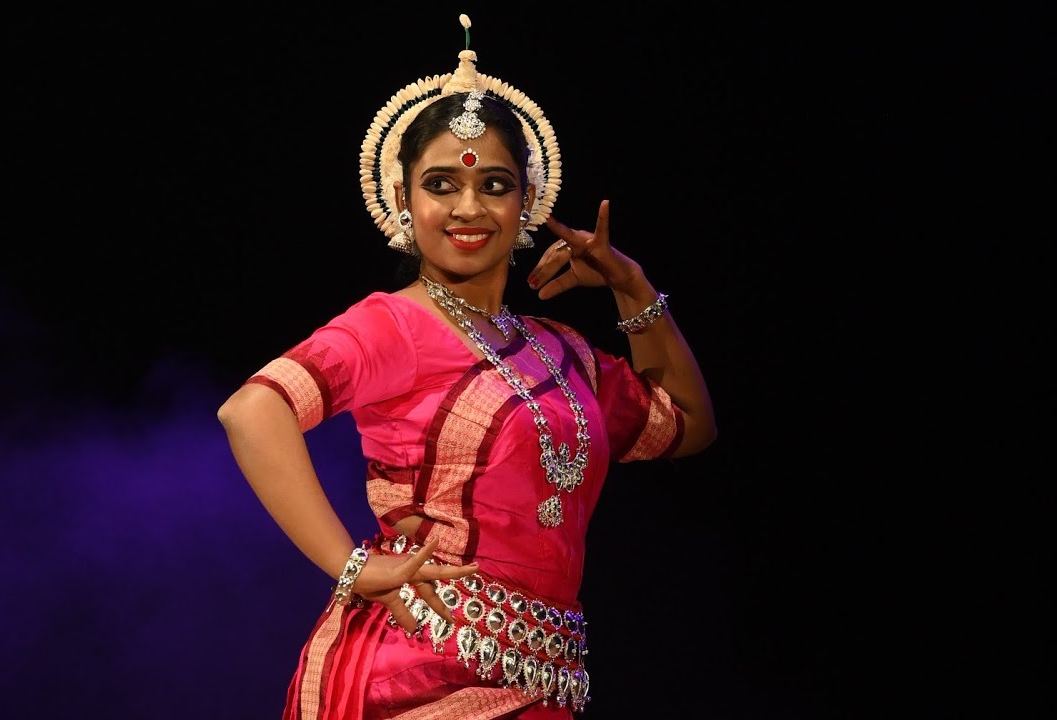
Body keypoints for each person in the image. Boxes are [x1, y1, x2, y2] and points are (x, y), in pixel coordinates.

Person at [217, 13, 717, 719]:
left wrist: (631, 287)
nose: (468, 206)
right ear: (403, 200)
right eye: (441, 185)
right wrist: (353, 567)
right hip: (417, 669)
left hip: (543, 681)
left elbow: (689, 427)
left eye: (495, 186)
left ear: (528, 203)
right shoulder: (394, 324)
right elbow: (252, 410)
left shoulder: (559, 351)